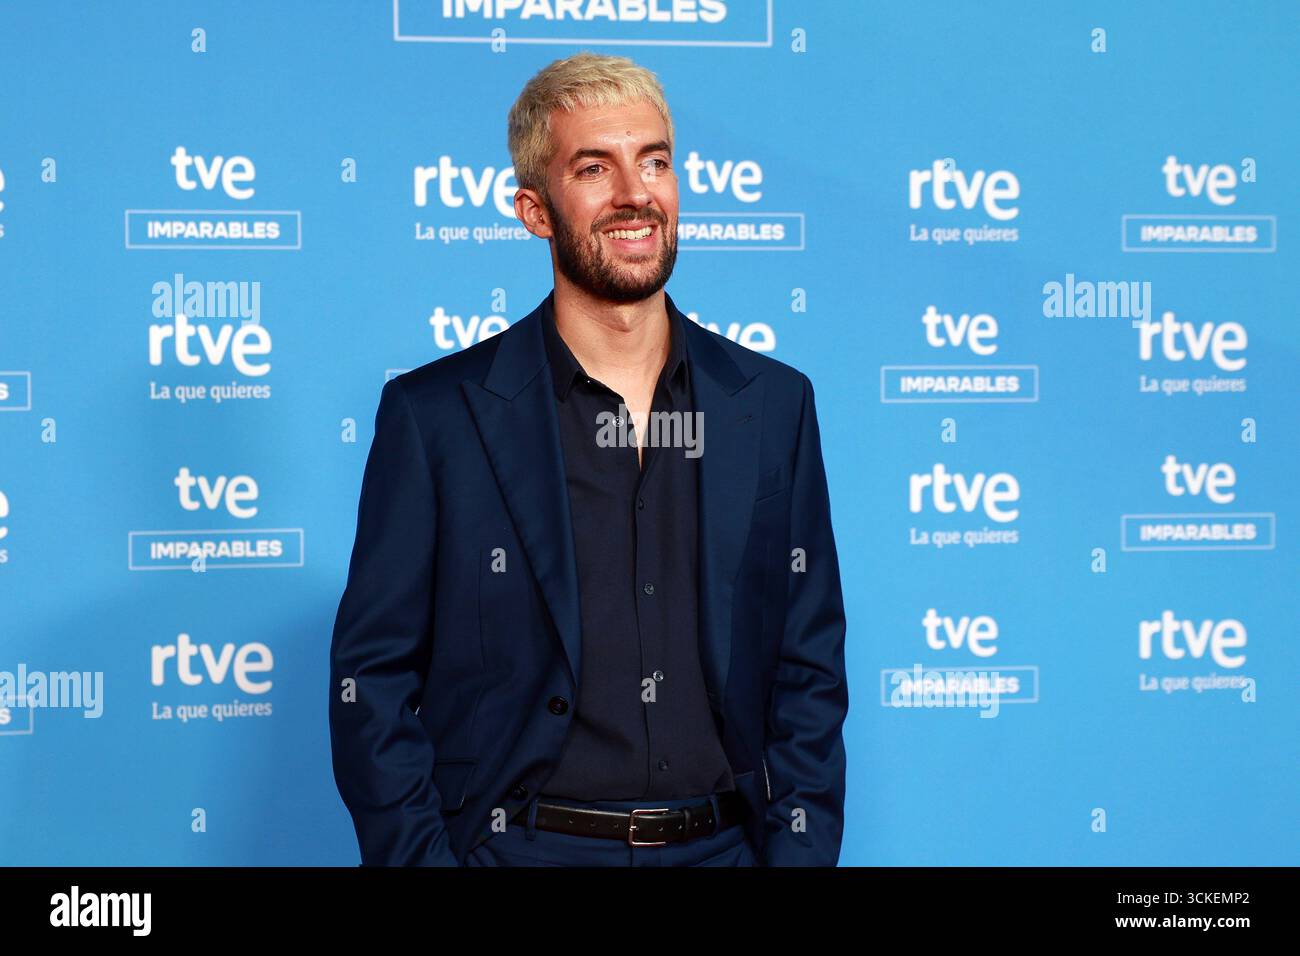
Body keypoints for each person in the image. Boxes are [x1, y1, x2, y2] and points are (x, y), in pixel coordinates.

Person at [329, 51, 848, 867]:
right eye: (594, 168)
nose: (635, 193)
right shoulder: (436, 418)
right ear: (535, 210)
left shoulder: (774, 405)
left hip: (723, 851)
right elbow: (372, 681)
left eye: (655, 162)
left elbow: (809, 671)